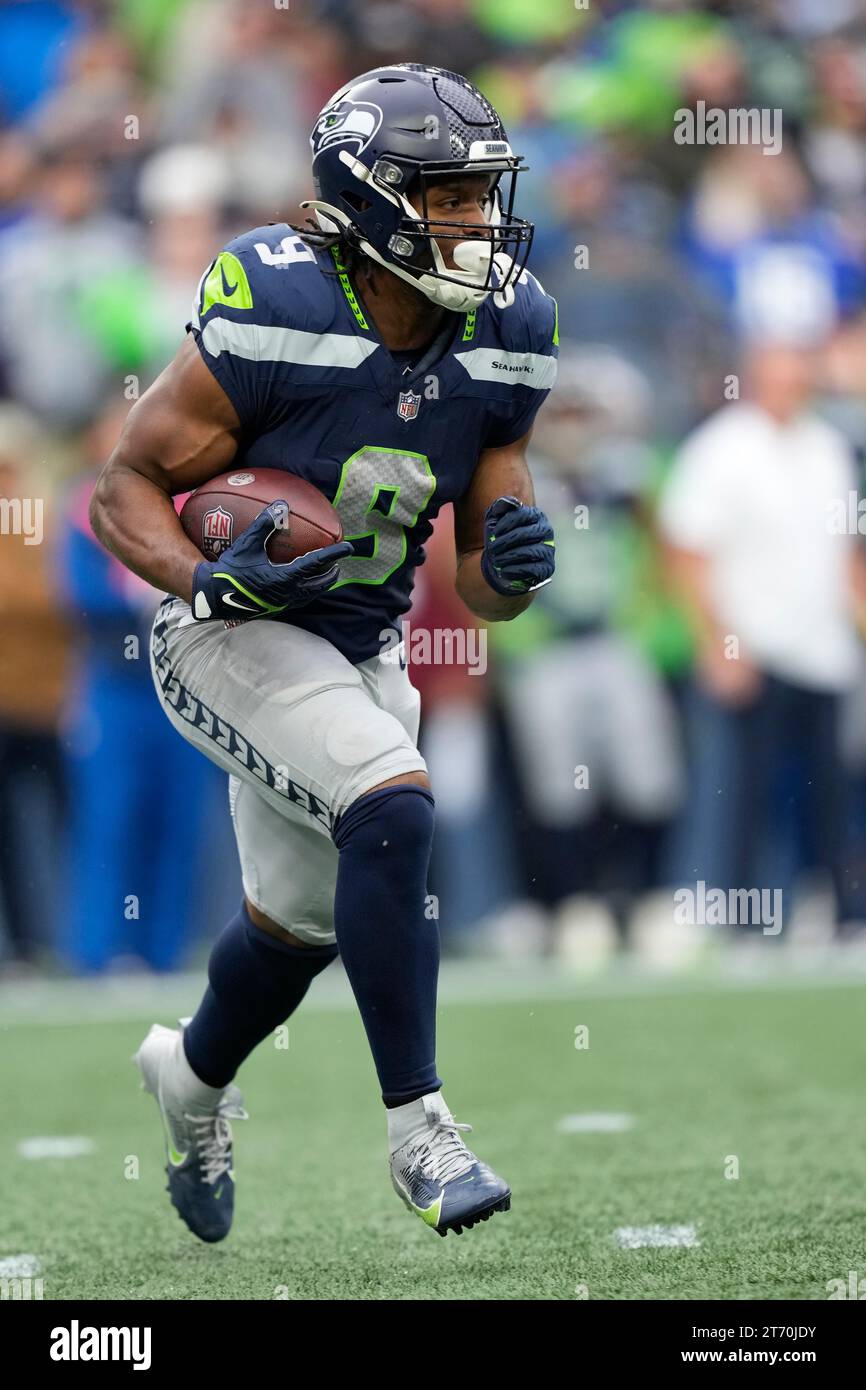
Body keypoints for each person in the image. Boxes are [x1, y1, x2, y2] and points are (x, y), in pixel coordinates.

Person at [89, 63, 558, 1242]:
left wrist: (514, 558)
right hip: (229, 628)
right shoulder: (277, 301)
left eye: (479, 194)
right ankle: (421, 1132)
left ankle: (189, 1082)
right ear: (367, 197)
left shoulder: (507, 329)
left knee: (297, 930)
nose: (474, 223)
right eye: (446, 197)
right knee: (392, 802)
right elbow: (123, 490)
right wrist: (209, 575)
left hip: (359, 645)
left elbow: (484, 594)